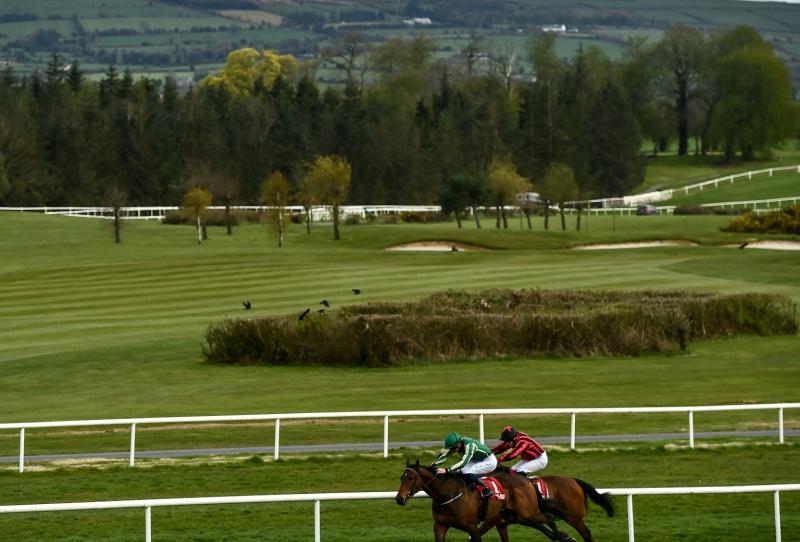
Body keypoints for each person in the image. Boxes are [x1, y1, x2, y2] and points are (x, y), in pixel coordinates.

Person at [433, 431, 497, 498]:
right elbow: (445, 455)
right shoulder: (457, 444)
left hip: (489, 461)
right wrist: (433, 465)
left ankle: (487, 489)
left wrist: (447, 470)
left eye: (454, 448)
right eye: (452, 448)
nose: (454, 450)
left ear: (458, 444)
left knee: (467, 471)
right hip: (477, 460)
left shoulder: (469, 445)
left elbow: (464, 462)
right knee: (459, 470)